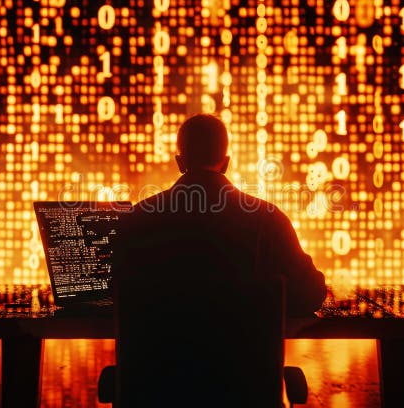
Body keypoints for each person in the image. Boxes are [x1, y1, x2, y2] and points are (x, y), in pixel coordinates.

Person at [113, 113, 326, 316]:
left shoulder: (137, 218)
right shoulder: (268, 219)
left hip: (160, 343)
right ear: (225, 163)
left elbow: (117, 293)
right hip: (244, 343)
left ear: (180, 162)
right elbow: (310, 294)